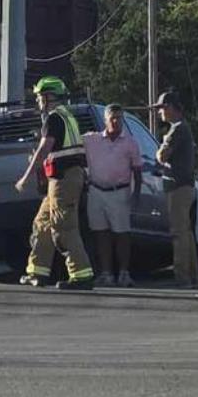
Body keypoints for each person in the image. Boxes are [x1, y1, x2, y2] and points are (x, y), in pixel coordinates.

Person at [14, 77, 95, 290]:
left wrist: (25, 177)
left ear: (48, 97)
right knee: (43, 223)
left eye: (39, 96)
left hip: (64, 180)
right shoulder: (67, 116)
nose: (38, 101)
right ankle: (37, 272)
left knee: (63, 226)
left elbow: (44, 149)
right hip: (61, 179)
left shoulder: (54, 118)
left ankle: (81, 275)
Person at [82, 103, 142, 286]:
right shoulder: (91, 140)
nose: (116, 122)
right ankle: (106, 273)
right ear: (105, 120)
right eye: (112, 118)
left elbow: (137, 171)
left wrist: (136, 194)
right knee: (101, 233)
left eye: (119, 118)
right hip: (96, 190)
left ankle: (124, 273)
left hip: (119, 191)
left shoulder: (130, 143)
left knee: (122, 234)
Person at [153, 91, 198, 288]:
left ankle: (182, 277)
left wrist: (160, 149)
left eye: (161, 108)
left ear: (171, 107)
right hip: (185, 186)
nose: (159, 113)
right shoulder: (183, 128)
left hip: (178, 187)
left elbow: (162, 156)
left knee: (178, 233)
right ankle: (193, 277)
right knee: (186, 233)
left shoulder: (177, 130)